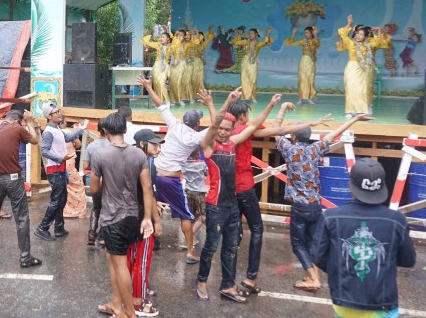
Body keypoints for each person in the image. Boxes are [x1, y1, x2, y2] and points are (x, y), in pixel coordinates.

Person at [228, 96, 332, 294]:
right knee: (257, 229)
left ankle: (229, 281)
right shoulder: (247, 130)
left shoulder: (226, 132)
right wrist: (285, 109)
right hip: (247, 188)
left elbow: (278, 130)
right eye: (247, 115)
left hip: (228, 190)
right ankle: (250, 278)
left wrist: (282, 108)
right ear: (242, 116)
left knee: (234, 234)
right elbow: (279, 130)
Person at [275, 113, 373, 291]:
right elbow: (337, 132)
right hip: (315, 205)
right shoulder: (315, 148)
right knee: (313, 242)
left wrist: (281, 108)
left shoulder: (289, 149)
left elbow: (276, 130)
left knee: (298, 244)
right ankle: (314, 275)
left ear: (294, 136)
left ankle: (314, 279)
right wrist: (355, 119)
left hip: (299, 206)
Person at [137, 75, 224, 264]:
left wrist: (147, 86)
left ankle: (152, 240)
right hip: (170, 180)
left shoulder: (174, 125)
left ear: (183, 119)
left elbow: (160, 104)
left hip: (153, 172)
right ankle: (191, 252)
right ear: (197, 123)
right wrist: (210, 104)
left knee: (150, 204)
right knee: (186, 215)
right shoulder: (196, 136)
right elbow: (216, 125)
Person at [313, 158, 416, 317]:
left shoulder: (330, 217)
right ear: (382, 186)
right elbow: (408, 260)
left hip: (344, 301)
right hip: (382, 304)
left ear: (351, 184)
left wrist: (342, 267)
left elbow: (319, 257)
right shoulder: (397, 220)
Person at [195, 86, 259, 304]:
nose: (222, 131)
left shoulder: (232, 144)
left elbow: (252, 127)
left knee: (231, 248)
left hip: (233, 207)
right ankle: (202, 281)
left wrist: (271, 107)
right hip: (216, 206)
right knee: (212, 246)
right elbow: (214, 124)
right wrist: (225, 102)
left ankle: (228, 286)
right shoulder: (208, 146)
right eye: (220, 128)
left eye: (227, 129)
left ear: (232, 130)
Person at [91, 113, 154, 318]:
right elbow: (146, 188)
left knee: (120, 264)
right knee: (114, 260)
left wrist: (106, 185)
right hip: (134, 217)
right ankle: (116, 303)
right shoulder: (139, 155)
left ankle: (129, 313)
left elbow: (94, 189)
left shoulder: (100, 155)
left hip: (113, 217)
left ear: (106, 131)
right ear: (125, 131)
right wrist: (146, 218)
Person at [0, 110, 42, 267]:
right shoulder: (17, 128)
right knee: (21, 217)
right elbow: (35, 140)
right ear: (17, 120)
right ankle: (25, 257)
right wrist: (28, 122)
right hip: (13, 179)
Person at [36, 102, 87, 241]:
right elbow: (44, 151)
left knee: (62, 199)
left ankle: (59, 228)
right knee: (56, 200)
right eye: (56, 112)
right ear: (48, 116)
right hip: (54, 169)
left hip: (61, 168)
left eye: (59, 111)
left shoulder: (57, 129)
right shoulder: (48, 132)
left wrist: (80, 129)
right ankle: (42, 228)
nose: (59, 113)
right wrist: (59, 158)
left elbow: (68, 138)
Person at [130, 128, 165, 317]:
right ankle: (138, 302)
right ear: (143, 144)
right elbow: (148, 192)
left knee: (131, 258)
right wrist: (156, 222)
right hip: (141, 217)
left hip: (126, 216)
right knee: (142, 261)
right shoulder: (146, 163)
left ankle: (130, 296)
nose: (158, 148)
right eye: (154, 144)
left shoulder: (128, 158)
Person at [336, 14, 391, 116]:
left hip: (363, 69)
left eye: (361, 34)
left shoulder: (368, 45)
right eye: (357, 33)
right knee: (351, 89)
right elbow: (342, 34)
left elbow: (380, 42)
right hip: (352, 68)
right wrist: (348, 24)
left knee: (361, 89)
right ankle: (350, 111)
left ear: (365, 37)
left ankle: (361, 110)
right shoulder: (350, 43)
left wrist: (378, 31)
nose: (358, 36)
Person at [84, 119, 111, 246]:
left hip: (94, 180)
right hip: (109, 181)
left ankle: (91, 234)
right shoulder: (113, 146)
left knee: (96, 207)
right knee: (108, 207)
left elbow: (85, 165)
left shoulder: (91, 146)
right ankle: (103, 235)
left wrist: (96, 168)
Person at [230, 27, 272, 103]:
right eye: (249, 33)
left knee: (253, 79)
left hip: (253, 62)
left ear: (256, 34)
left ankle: (252, 97)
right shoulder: (246, 42)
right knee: (244, 79)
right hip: (245, 62)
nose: (250, 35)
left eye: (252, 33)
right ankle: (245, 97)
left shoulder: (259, 43)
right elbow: (235, 42)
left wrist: (267, 33)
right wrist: (237, 34)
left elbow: (267, 43)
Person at [285, 26, 321, 104]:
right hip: (304, 61)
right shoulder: (303, 41)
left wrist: (316, 34)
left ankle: (309, 98)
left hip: (311, 62)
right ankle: (300, 98)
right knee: (302, 79)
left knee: (310, 79)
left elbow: (317, 44)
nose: (306, 34)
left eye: (307, 32)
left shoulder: (314, 40)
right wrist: (293, 35)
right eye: (305, 33)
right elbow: (290, 43)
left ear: (311, 33)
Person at [141, 32, 175, 104]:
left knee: (161, 83)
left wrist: (172, 35)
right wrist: (149, 35)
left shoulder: (171, 46)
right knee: (156, 84)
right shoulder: (157, 45)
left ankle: (167, 101)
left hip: (165, 66)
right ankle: (159, 102)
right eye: (161, 37)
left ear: (168, 39)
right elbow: (146, 42)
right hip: (157, 66)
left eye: (163, 37)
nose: (161, 38)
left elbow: (178, 43)